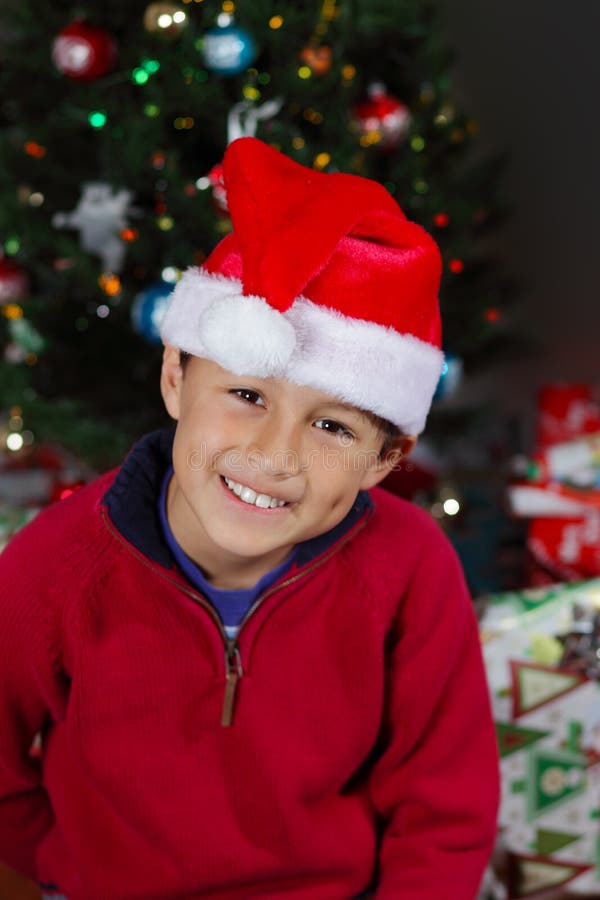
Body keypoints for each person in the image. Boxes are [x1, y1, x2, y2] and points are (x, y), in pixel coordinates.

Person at [0, 137, 499, 900]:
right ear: (176, 375)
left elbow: (445, 807)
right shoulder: (56, 565)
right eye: (247, 396)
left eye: (332, 427)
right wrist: (74, 863)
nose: (274, 456)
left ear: (386, 457)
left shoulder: (411, 568)